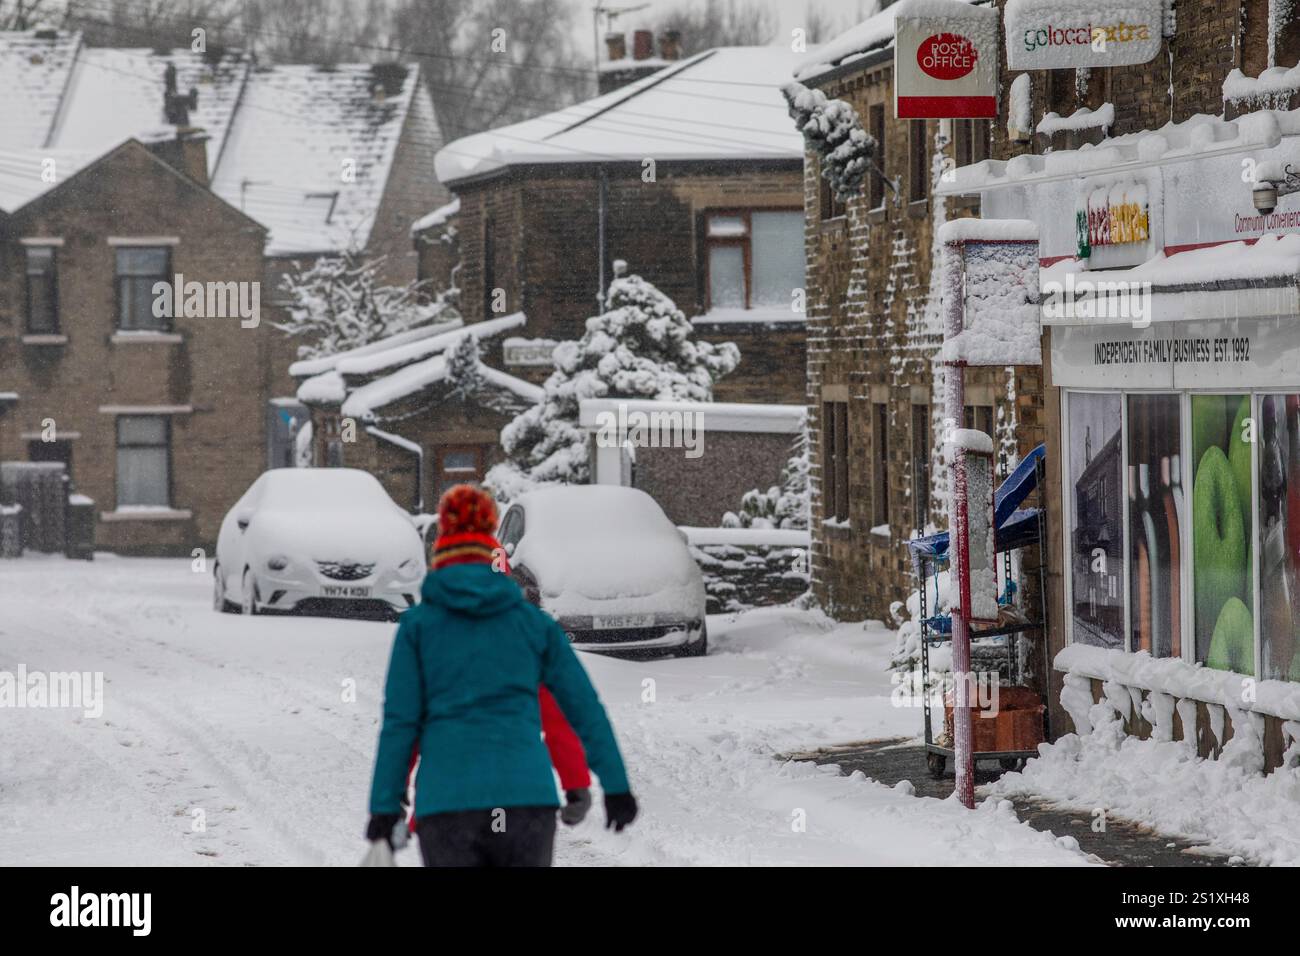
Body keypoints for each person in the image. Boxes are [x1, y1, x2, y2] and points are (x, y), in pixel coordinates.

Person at [366, 484, 637, 866]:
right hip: (525, 805)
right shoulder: (533, 627)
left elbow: (402, 724)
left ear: (441, 544)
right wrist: (609, 784)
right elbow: (576, 708)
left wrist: (384, 806)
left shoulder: (418, 629)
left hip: (447, 808)